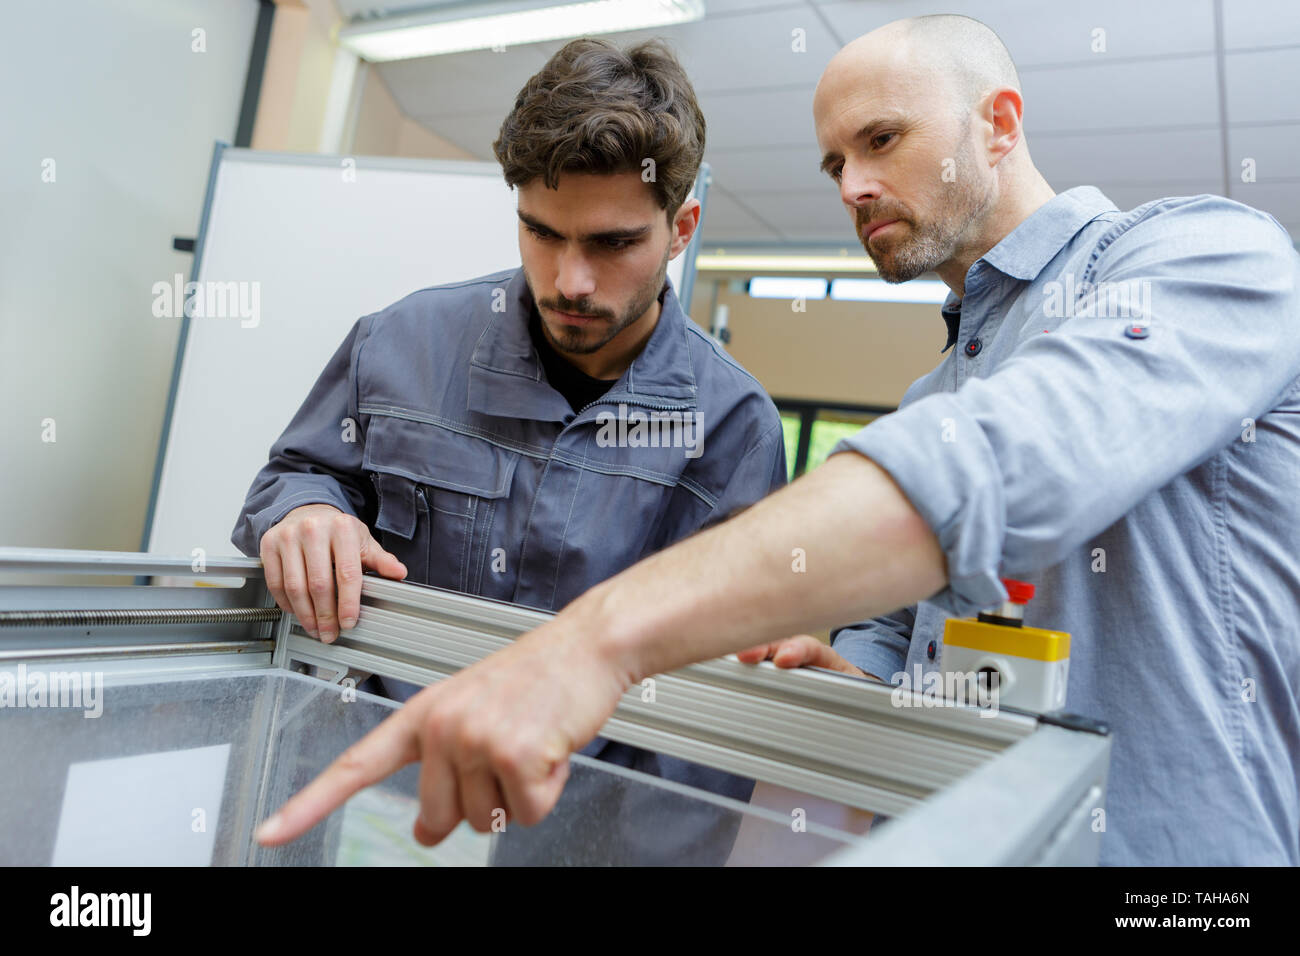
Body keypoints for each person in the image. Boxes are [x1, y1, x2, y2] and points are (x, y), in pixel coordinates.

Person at [252, 15, 1300, 866]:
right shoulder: (937, 387)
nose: (848, 186)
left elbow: (995, 466)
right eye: (834, 160)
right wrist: (866, 690)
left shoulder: (1203, 257)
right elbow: (936, 663)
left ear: (999, 122)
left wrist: (588, 639)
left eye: (880, 141)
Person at [231, 38, 787, 864]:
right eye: (541, 231)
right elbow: (295, 475)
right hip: (372, 807)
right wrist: (307, 510)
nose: (570, 281)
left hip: (569, 837)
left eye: (611, 243)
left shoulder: (734, 429)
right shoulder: (401, 345)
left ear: (681, 229)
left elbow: (705, 728)